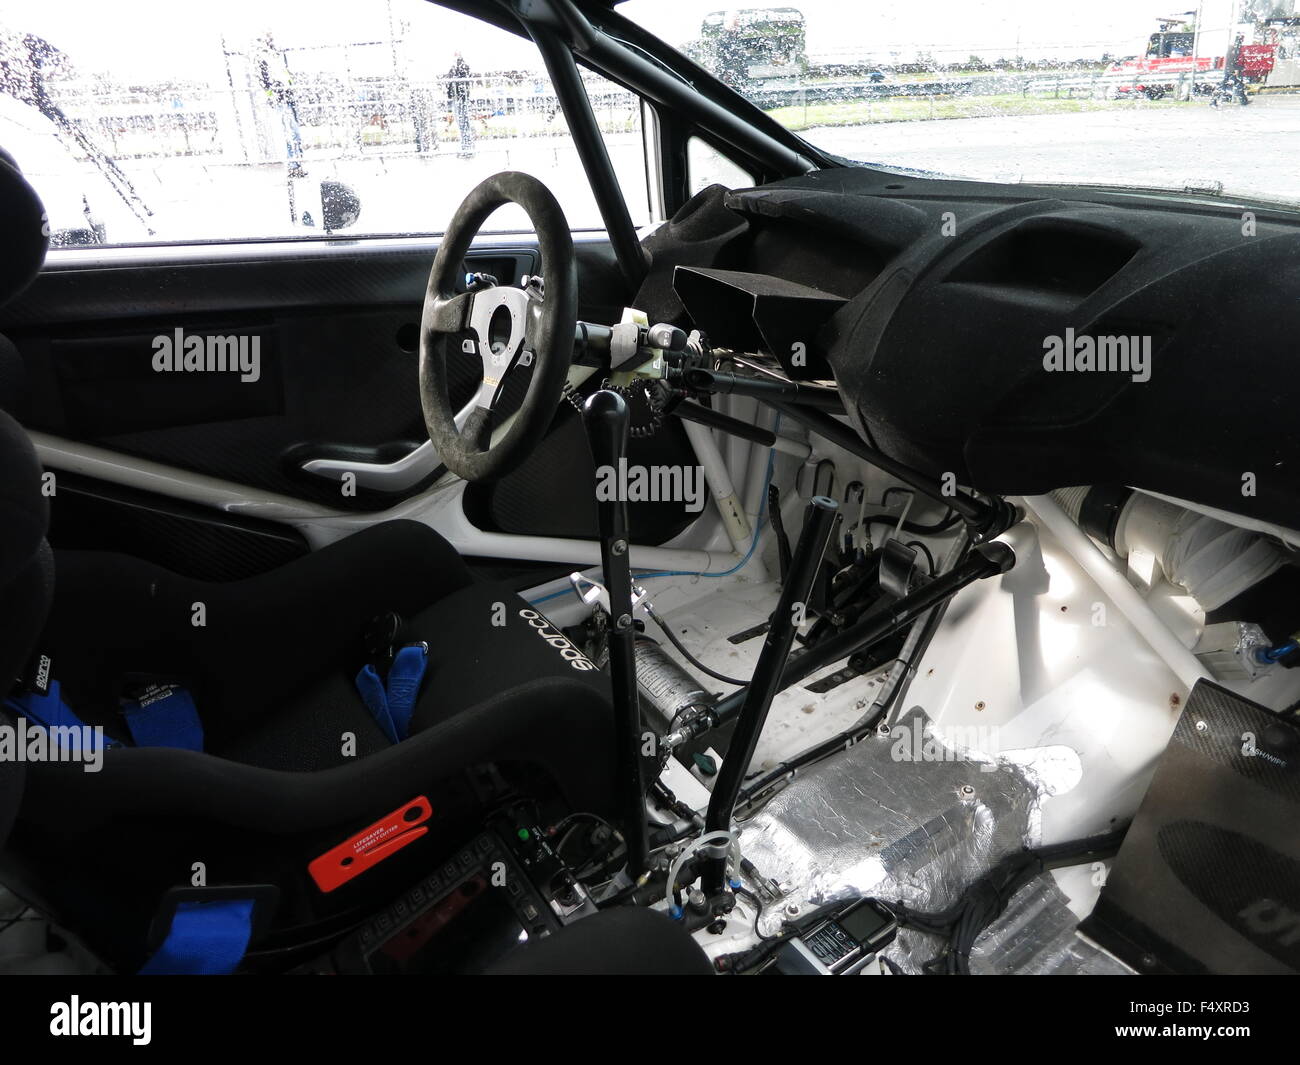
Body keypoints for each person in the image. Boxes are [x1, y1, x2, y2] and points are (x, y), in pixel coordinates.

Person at [256, 33, 307, 176]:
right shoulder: (262, 57)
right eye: (269, 38)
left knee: (295, 133)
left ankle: (298, 163)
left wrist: (290, 89)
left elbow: (286, 75)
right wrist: (272, 96)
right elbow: (264, 81)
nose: (271, 40)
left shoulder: (280, 55)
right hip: (280, 99)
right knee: (290, 132)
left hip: (288, 97)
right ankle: (294, 165)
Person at [446, 51, 475, 158]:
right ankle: (467, 147)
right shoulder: (460, 67)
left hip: (460, 98)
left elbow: (453, 82)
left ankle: (467, 148)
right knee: (463, 123)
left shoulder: (459, 67)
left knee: (463, 123)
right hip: (460, 98)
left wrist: (451, 93)